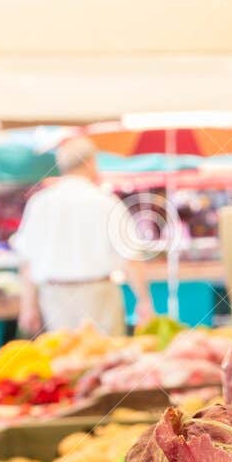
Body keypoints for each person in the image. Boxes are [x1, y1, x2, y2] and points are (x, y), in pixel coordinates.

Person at [12, 137, 149, 336]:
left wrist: (28, 306)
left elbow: (27, 261)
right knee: (104, 361)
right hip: (98, 296)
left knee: (63, 362)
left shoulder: (40, 203)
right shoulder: (105, 202)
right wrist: (144, 300)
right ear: (91, 162)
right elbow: (131, 256)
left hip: (53, 298)